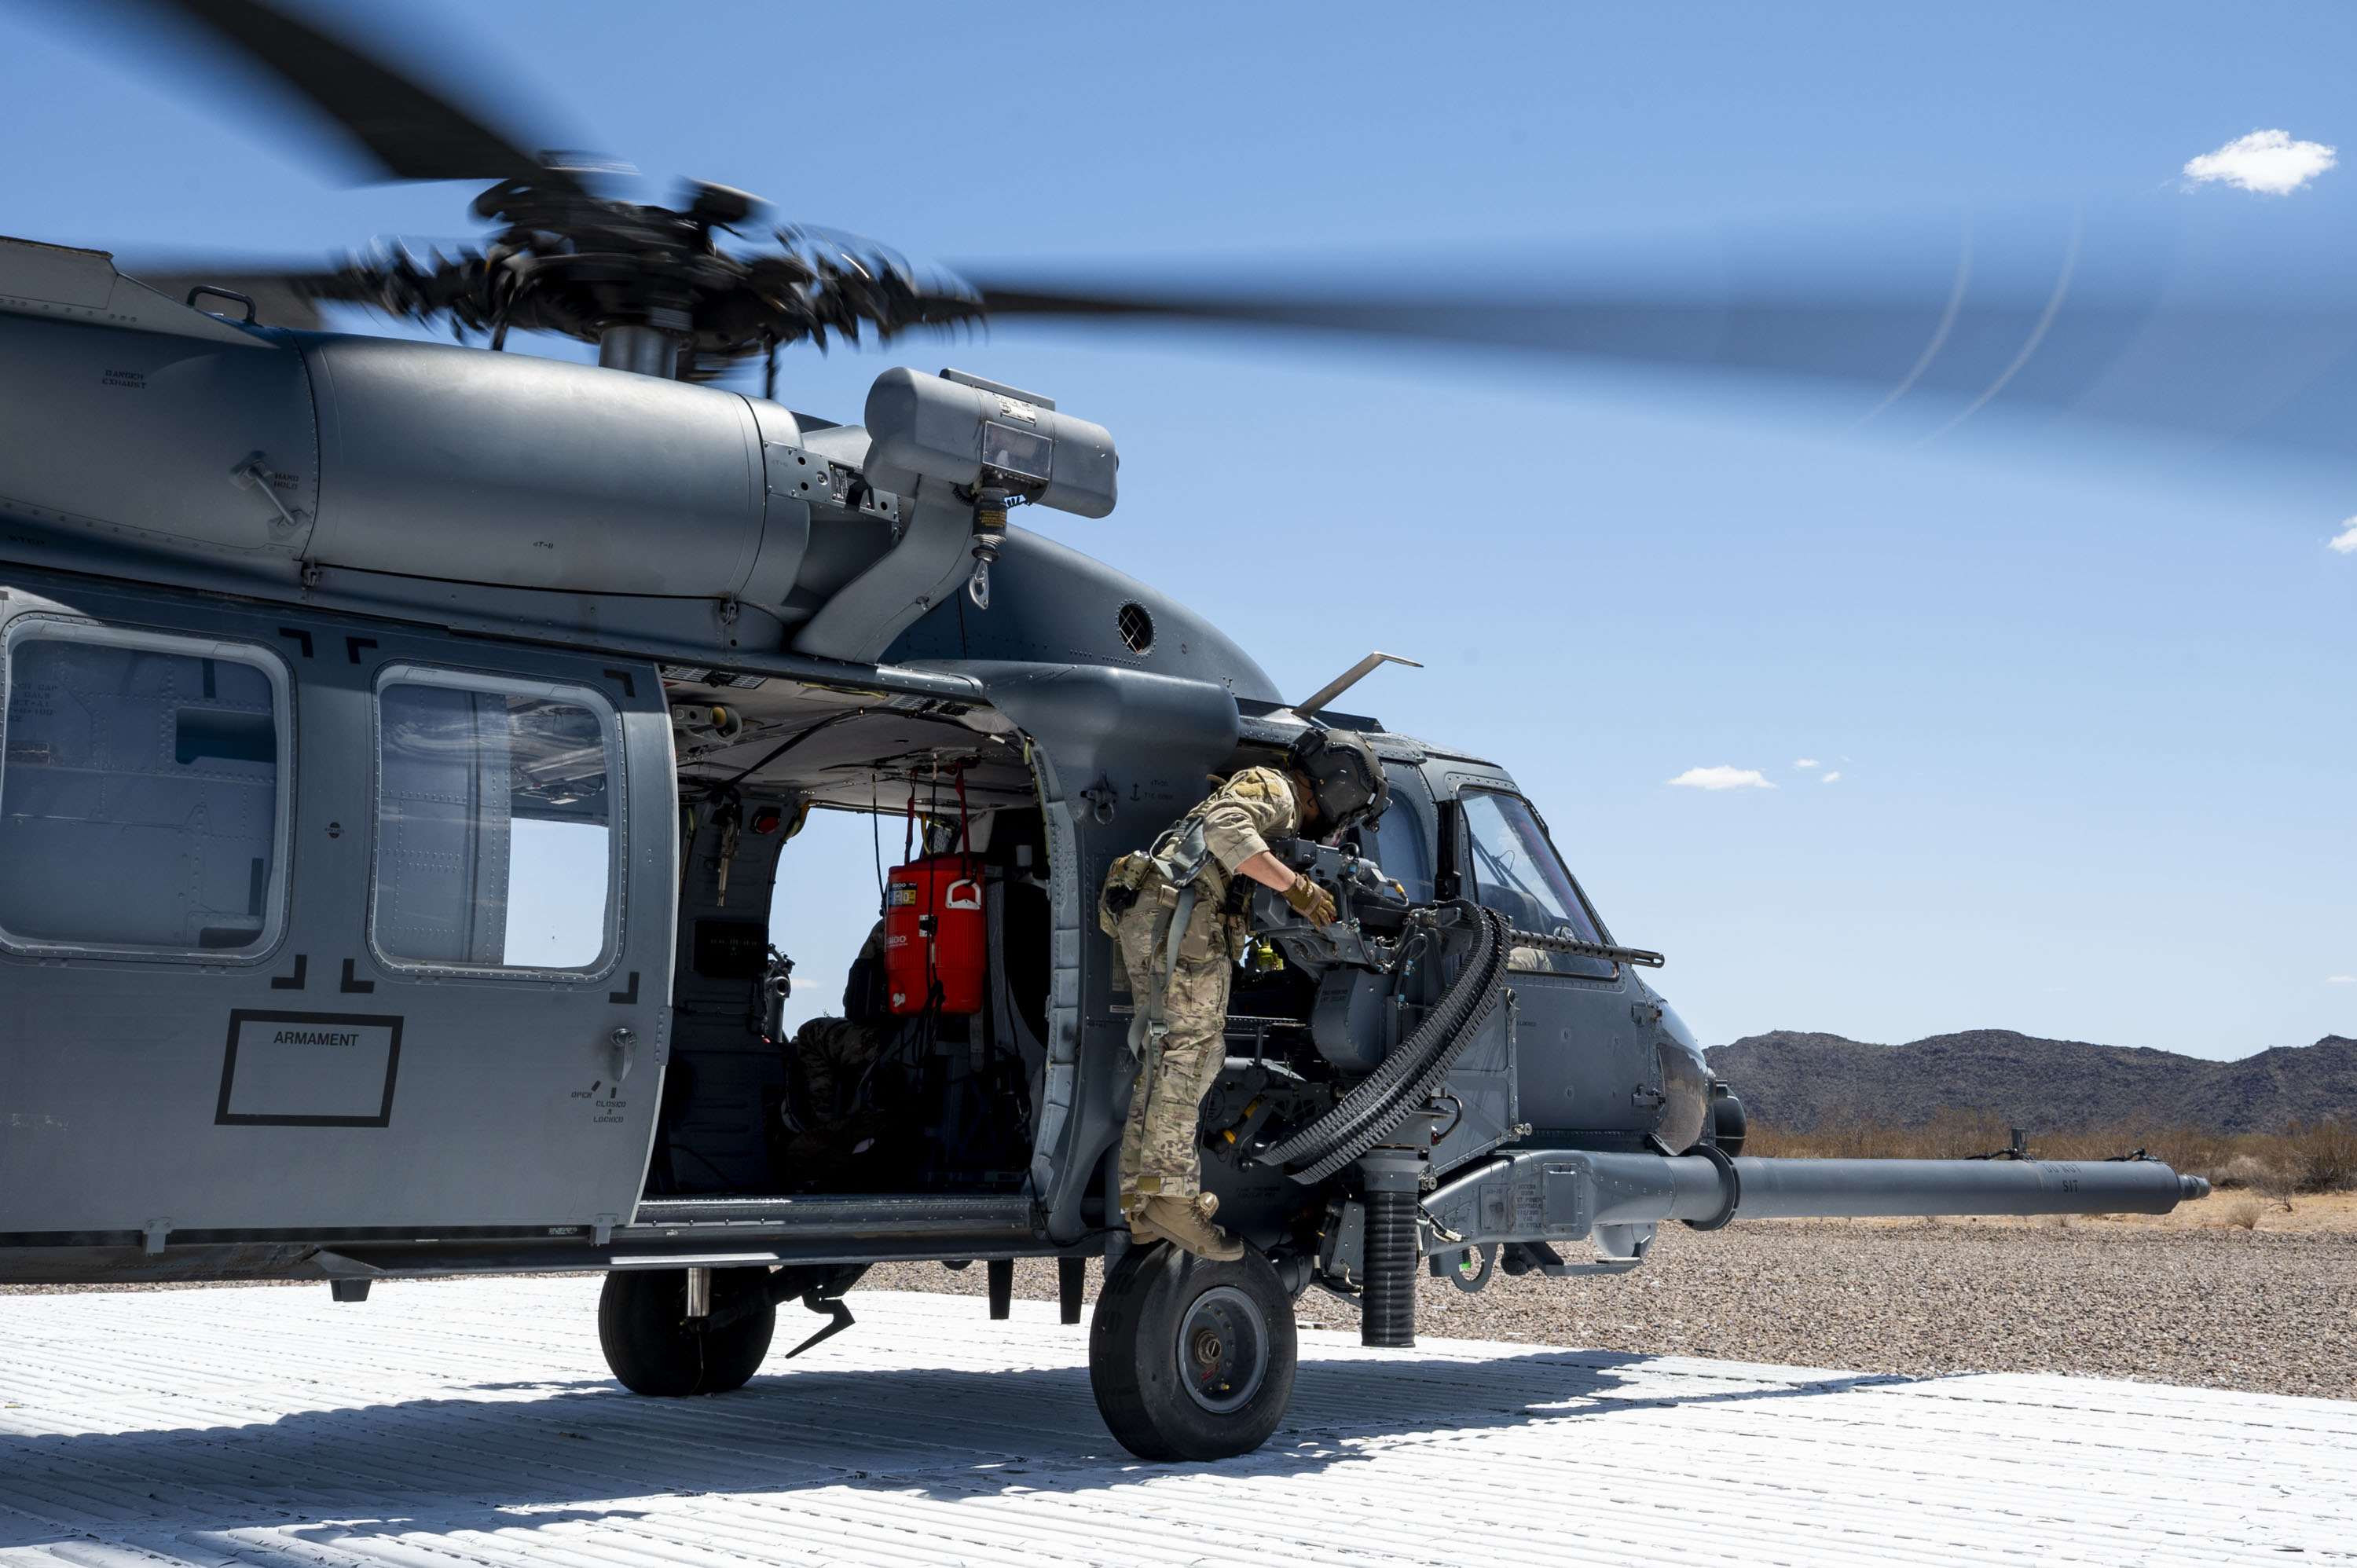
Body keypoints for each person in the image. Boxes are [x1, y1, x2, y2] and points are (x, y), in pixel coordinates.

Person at [1098, 728, 1389, 1258]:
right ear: (1336, 786)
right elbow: (1223, 827)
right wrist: (1298, 889)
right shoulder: (1277, 789)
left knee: (1166, 1054)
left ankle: (1142, 1203)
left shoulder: (1269, 792)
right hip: (1182, 918)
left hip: (1161, 914)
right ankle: (1169, 1196)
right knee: (1193, 1055)